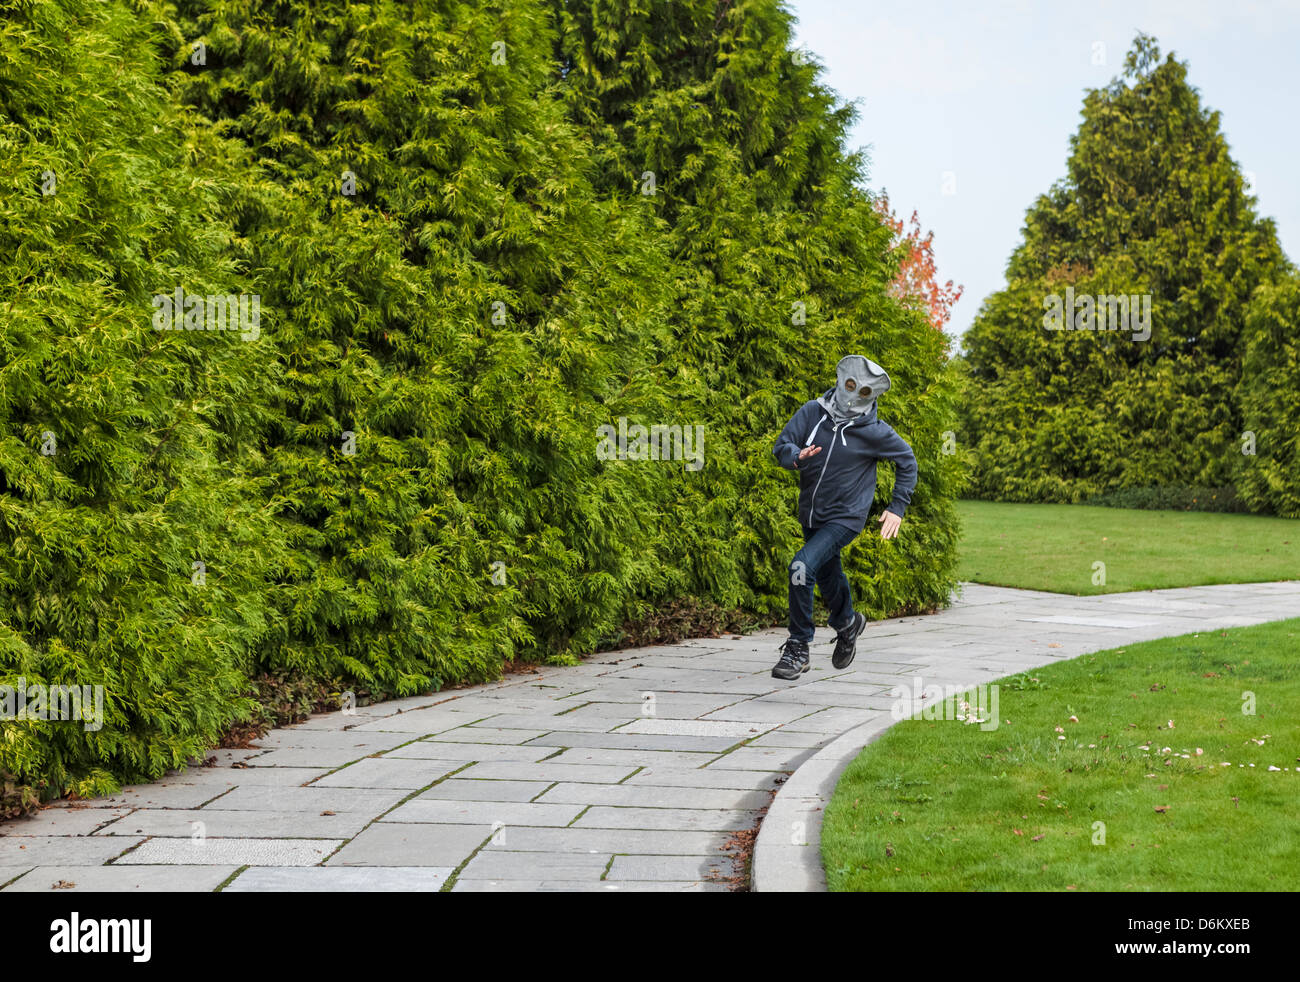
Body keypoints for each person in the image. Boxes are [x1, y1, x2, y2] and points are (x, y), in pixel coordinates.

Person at [769, 355, 917, 680]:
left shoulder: (874, 431)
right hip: (810, 513)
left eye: (864, 392)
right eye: (851, 385)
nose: (854, 395)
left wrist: (897, 507)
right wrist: (795, 456)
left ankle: (798, 646)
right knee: (826, 573)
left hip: (846, 518)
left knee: (800, 567)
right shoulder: (812, 413)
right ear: (841, 380)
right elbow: (782, 445)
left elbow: (908, 461)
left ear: (872, 396)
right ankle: (848, 623)